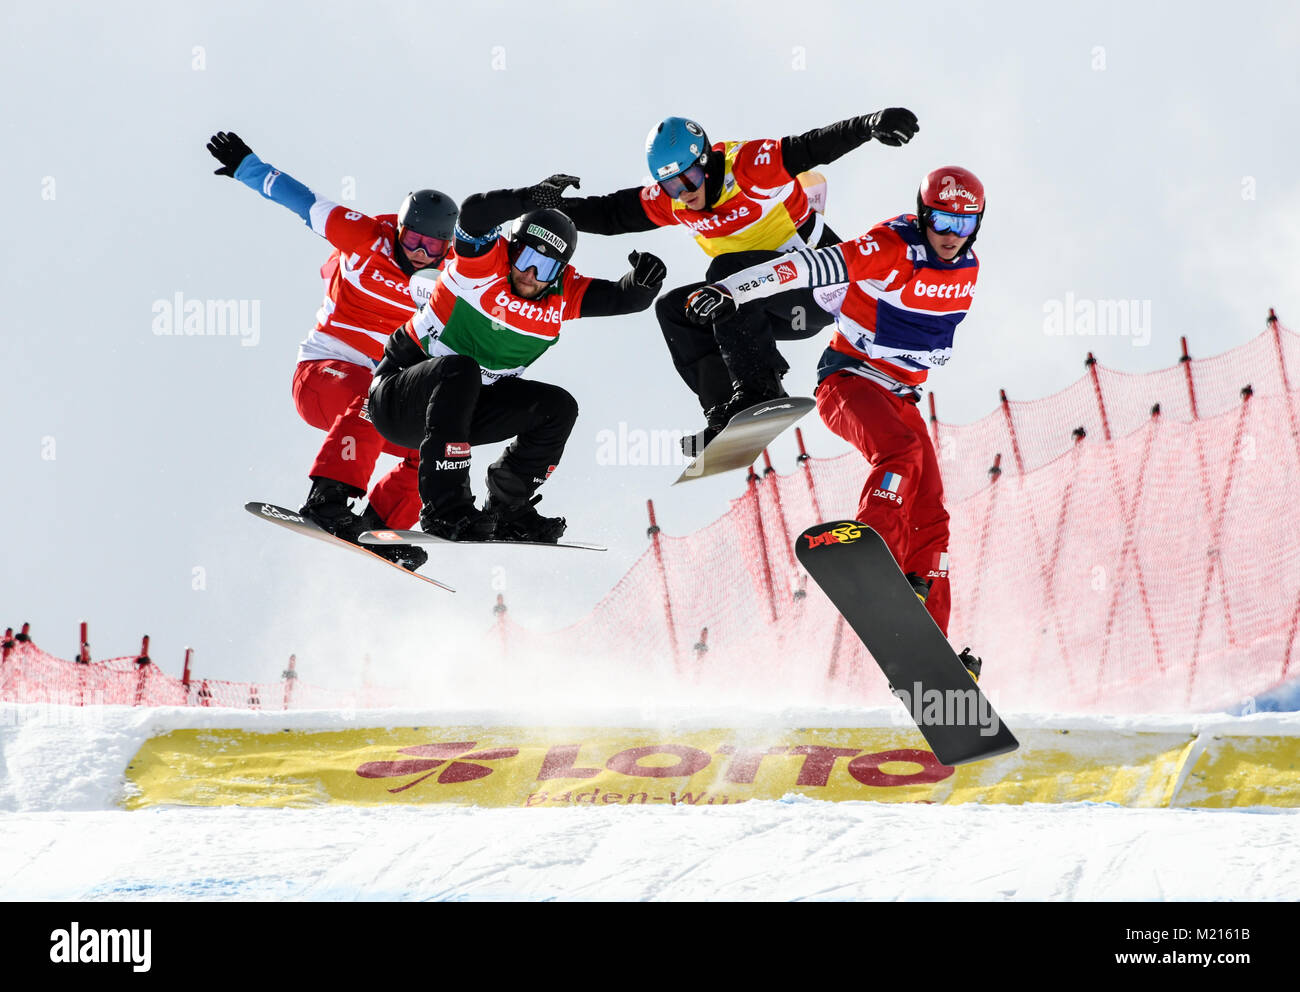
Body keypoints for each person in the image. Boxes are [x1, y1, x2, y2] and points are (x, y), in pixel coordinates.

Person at [684, 166, 986, 677]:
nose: (950, 235)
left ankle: (930, 647)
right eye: (940, 220)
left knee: (932, 515)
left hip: (901, 398)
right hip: (849, 383)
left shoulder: (968, 265)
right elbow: (809, 267)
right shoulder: (891, 246)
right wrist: (734, 290)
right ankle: (874, 555)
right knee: (901, 454)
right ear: (922, 214)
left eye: (964, 223)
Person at [559, 110, 918, 449]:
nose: (685, 193)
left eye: (689, 178)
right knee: (676, 310)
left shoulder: (748, 167)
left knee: (724, 274)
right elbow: (613, 214)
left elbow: (812, 146)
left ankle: (761, 390)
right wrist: (544, 207)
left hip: (821, 291)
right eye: (671, 185)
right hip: (767, 307)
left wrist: (868, 124)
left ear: (705, 163)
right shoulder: (675, 202)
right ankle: (724, 413)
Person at [206, 130, 457, 570]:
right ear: (399, 230)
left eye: (432, 246)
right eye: (412, 240)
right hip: (324, 373)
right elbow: (303, 201)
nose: (420, 253)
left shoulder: (456, 273)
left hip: (377, 391)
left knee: (439, 440)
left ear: (447, 244)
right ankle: (327, 500)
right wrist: (247, 167)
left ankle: (379, 528)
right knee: (376, 399)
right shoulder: (364, 236)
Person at [367, 174, 666, 542]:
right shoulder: (481, 264)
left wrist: (644, 283)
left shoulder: (563, 294)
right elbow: (473, 215)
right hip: (397, 398)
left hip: (458, 413)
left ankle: (508, 507)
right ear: (511, 250)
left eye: (546, 268)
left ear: (559, 272)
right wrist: (528, 198)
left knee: (558, 408)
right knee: (461, 370)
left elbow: (623, 298)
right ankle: (445, 509)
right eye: (525, 258)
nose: (530, 274)